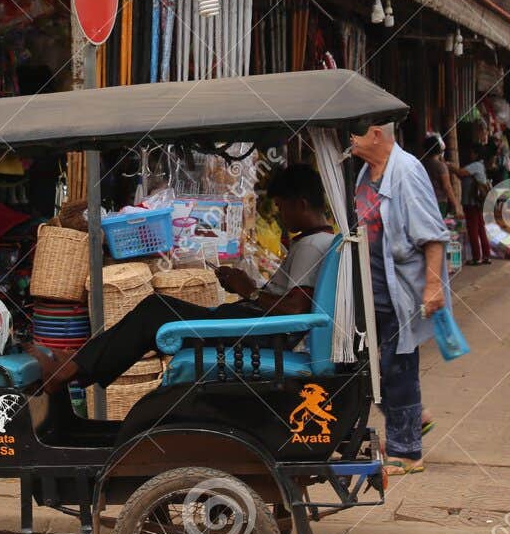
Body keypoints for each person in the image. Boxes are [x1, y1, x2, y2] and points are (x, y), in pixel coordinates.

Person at [37, 165, 333, 393]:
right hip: (255, 325)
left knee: (155, 311)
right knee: (157, 310)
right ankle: (77, 367)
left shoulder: (310, 245)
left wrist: (250, 292)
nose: (280, 215)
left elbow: (295, 309)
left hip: (257, 332)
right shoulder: (316, 241)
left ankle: (72, 370)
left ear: (302, 205)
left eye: (282, 207)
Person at [348, 122, 449, 475]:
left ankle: (408, 452)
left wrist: (433, 286)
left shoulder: (406, 171)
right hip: (370, 288)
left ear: (376, 134)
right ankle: (411, 421)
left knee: (397, 366)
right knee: (370, 367)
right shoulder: (366, 171)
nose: (350, 140)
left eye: (355, 133)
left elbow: (433, 234)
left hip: (399, 290)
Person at [421, 133, 464, 225]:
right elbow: (447, 187)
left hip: (424, 201)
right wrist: (456, 205)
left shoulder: (422, 164)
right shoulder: (440, 166)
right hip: (439, 202)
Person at [459, 144, 492, 266]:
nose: (470, 154)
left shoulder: (476, 165)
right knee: (480, 228)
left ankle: (476, 257)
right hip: (478, 202)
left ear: (476, 154)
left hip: (471, 202)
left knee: (473, 229)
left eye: (472, 152)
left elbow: (461, 172)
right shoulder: (480, 165)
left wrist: (449, 166)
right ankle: (486, 255)